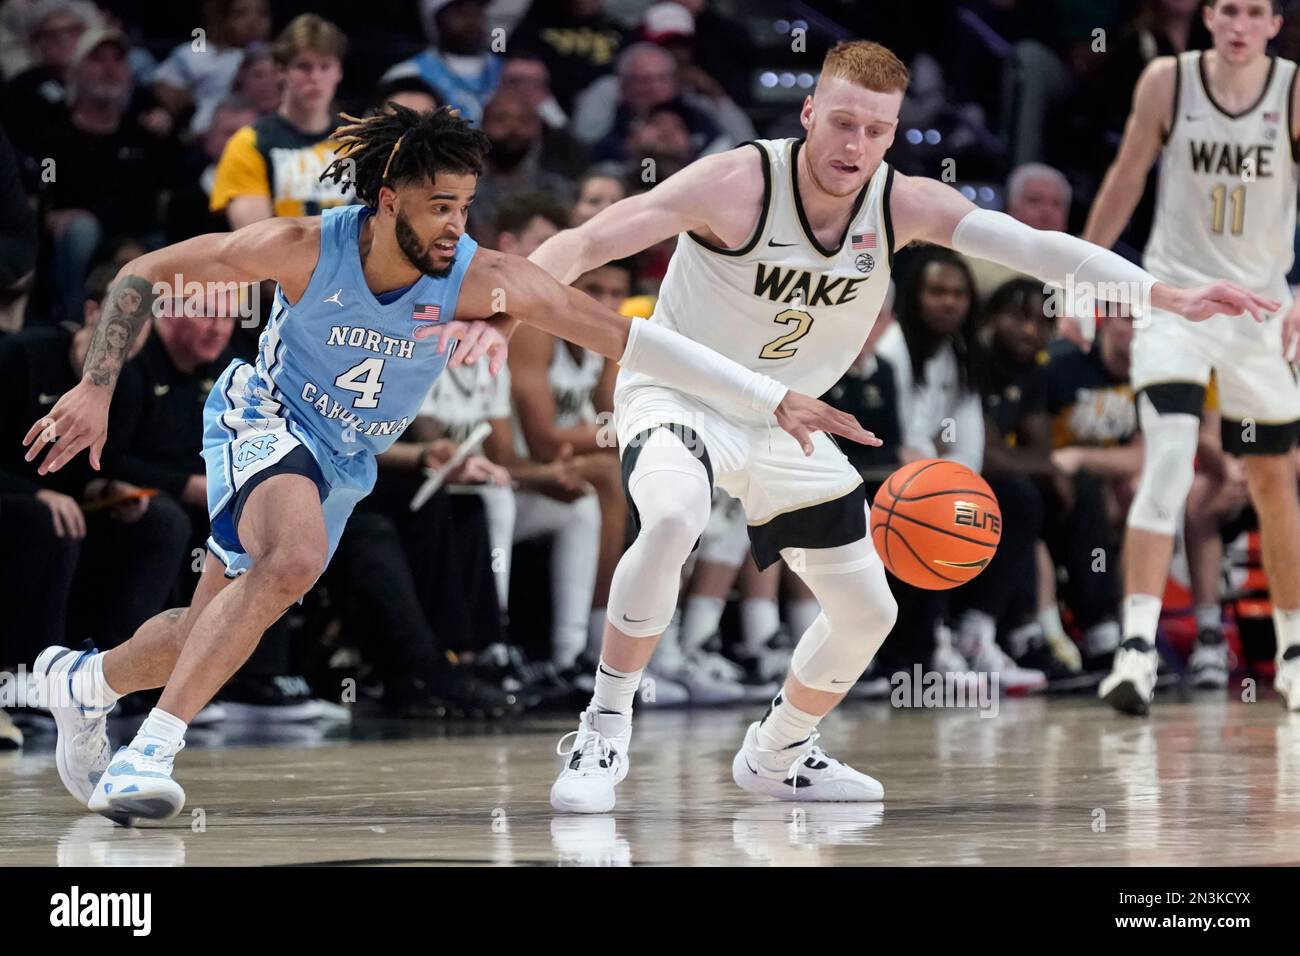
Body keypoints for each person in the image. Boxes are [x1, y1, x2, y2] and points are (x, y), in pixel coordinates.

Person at [22, 103, 866, 825]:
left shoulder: (481, 278)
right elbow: (143, 274)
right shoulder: (302, 246)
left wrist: (765, 397)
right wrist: (97, 385)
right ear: (387, 201)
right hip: (266, 416)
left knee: (204, 628)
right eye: (437, 207)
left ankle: (86, 683)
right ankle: (151, 756)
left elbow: (625, 335)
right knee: (294, 561)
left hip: (346, 457)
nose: (456, 225)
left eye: (465, 205)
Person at [529, 38, 1276, 813]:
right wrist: (503, 302)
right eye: (842, 123)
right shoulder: (736, 182)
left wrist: (1165, 297)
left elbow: (1035, 247)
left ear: (893, 134)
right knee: (676, 513)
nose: (855, 146)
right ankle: (604, 727)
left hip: (788, 418)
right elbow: (586, 241)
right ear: (810, 112)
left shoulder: (902, 203)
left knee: (869, 611)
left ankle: (779, 752)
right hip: (681, 392)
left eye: (876, 131)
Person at [1082, 0, 1300, 714]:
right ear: (1210, 17)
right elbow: (1125, 175)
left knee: (1272, 481)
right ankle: (1136, 651)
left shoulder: (1293, 90)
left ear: (1274, 24)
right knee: (1169, 456)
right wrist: (1080, 276)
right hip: (1178, 301)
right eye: (1228, 9)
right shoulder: (1167, 82)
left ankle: (1294, 651)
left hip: (1261, 310)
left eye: (1254, 13)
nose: (1240, 24)